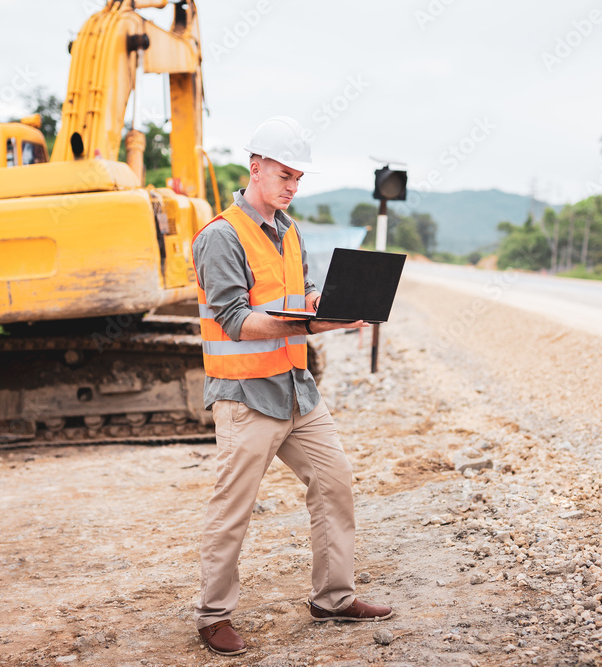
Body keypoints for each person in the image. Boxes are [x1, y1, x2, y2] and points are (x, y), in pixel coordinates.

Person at [190, 116, 393, 657]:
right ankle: (213, 616)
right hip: (245, 396)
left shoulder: (290, 230)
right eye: (285, 175)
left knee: (335, 483)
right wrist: (309, 323)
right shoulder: (220, 237)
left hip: (297, 390)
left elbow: (300, 301)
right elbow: (236, 320)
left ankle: (333, 597)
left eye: (298, 178)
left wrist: (339, 311)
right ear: (255, 168)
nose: (291, 187)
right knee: (233, 507)